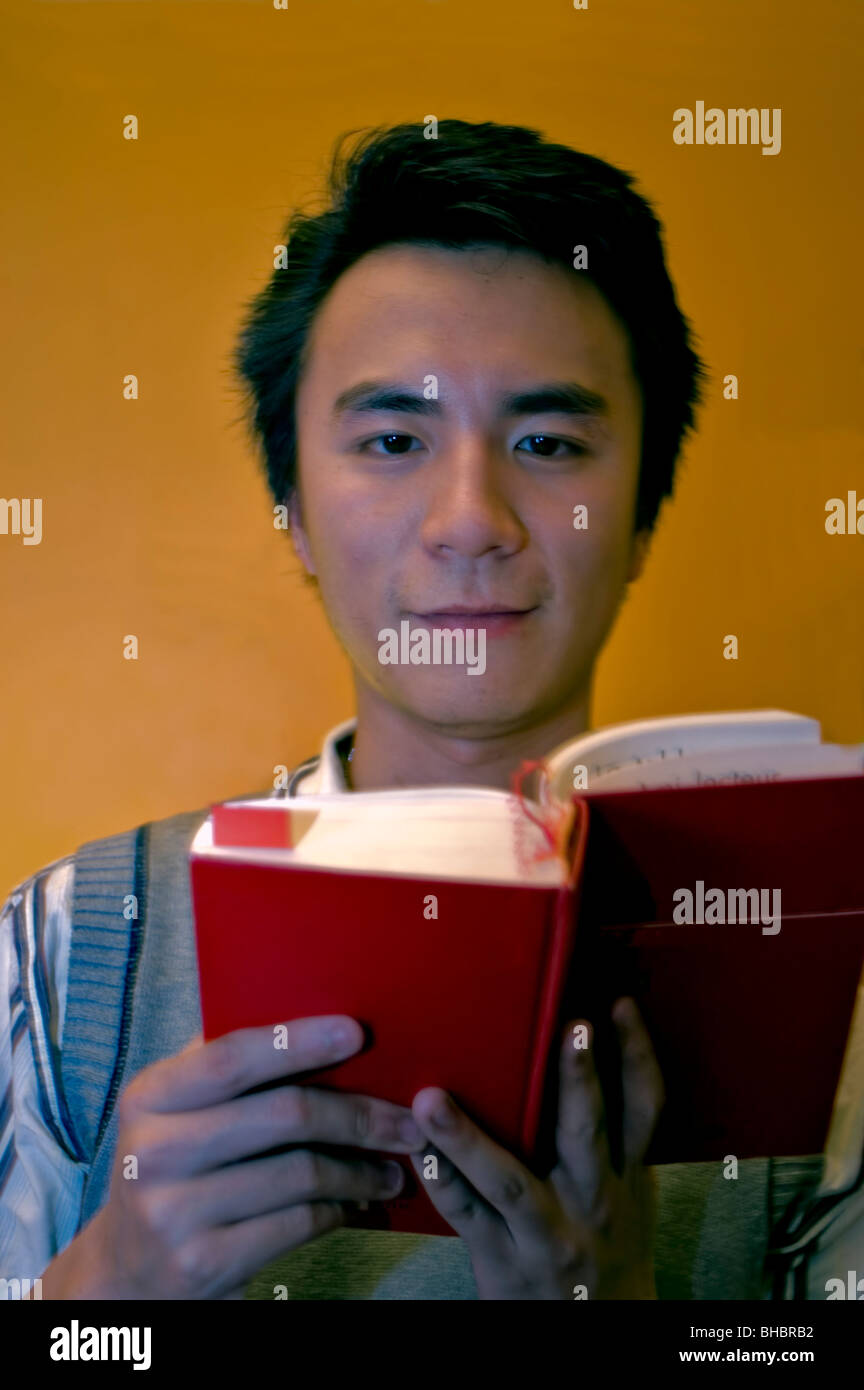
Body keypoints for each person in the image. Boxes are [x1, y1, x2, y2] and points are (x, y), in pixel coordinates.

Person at [1, 119, 855, 1301]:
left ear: (646, 511)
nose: (470, 518)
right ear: (292, 505)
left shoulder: (828, 982)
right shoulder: (68, 948)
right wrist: (106, 1289)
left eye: (548, 440)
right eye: (395, 437)